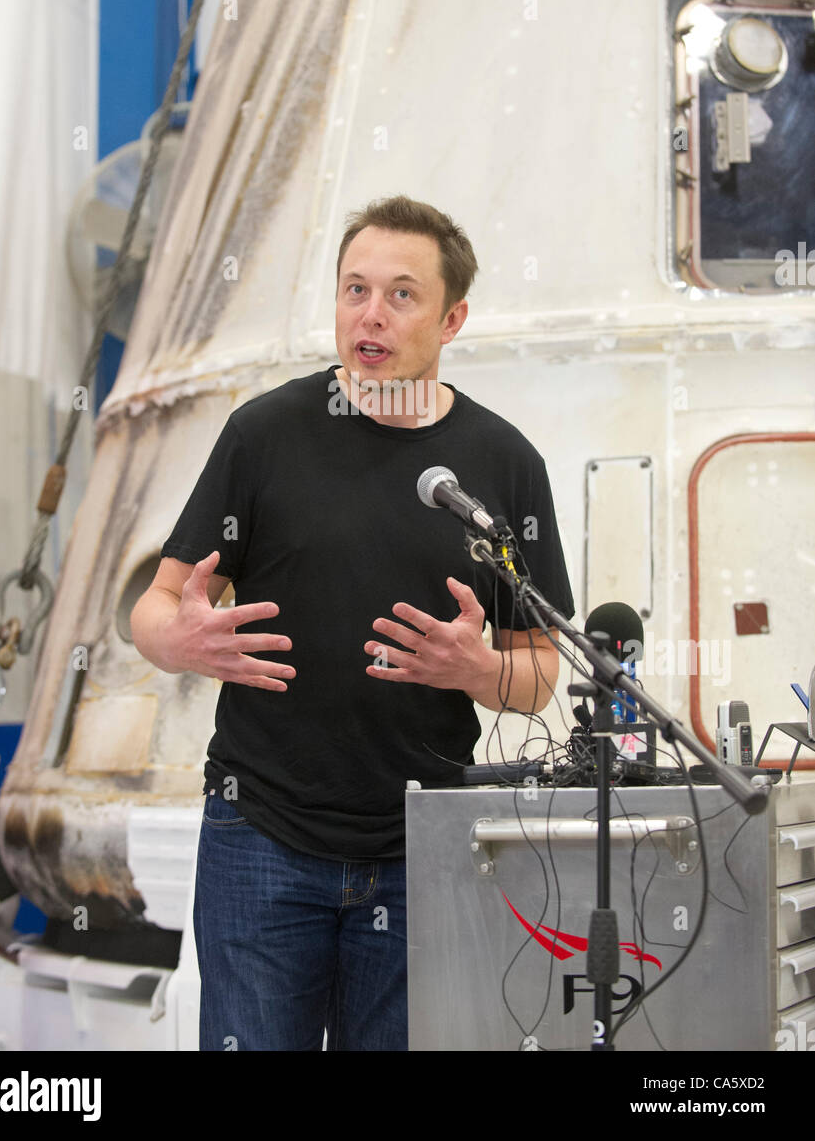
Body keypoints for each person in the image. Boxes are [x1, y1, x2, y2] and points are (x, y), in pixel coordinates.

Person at [130, 193, 575, 1051]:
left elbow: (539, 677)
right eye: (353, 289)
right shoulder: (262, 436)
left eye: (401, 294)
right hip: (261, 833)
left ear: (452, 319)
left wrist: (476, 673)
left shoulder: (502, 465)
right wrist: (177, 642)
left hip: (421, 841)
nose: (370, 314)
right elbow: (156, 607)